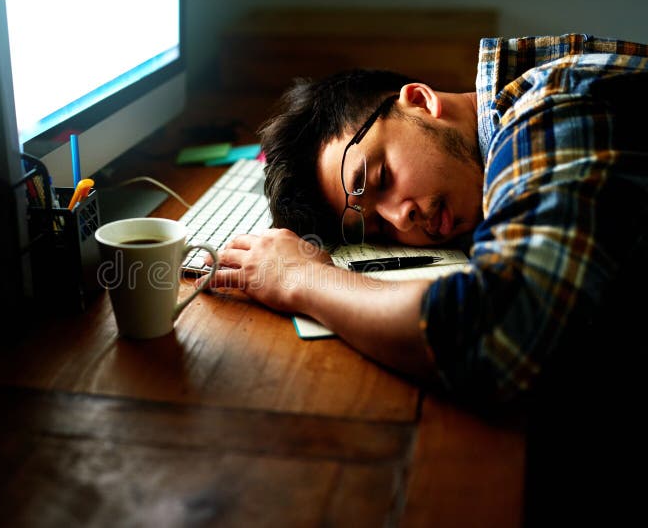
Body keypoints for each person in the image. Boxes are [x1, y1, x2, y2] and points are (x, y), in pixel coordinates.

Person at [198, 33, 648, 523]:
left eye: (380, 178)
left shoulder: (551, 107)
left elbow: (498, 329)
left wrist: (301, 279)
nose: (402, 219)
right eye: (375, 227)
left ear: (418, 101)